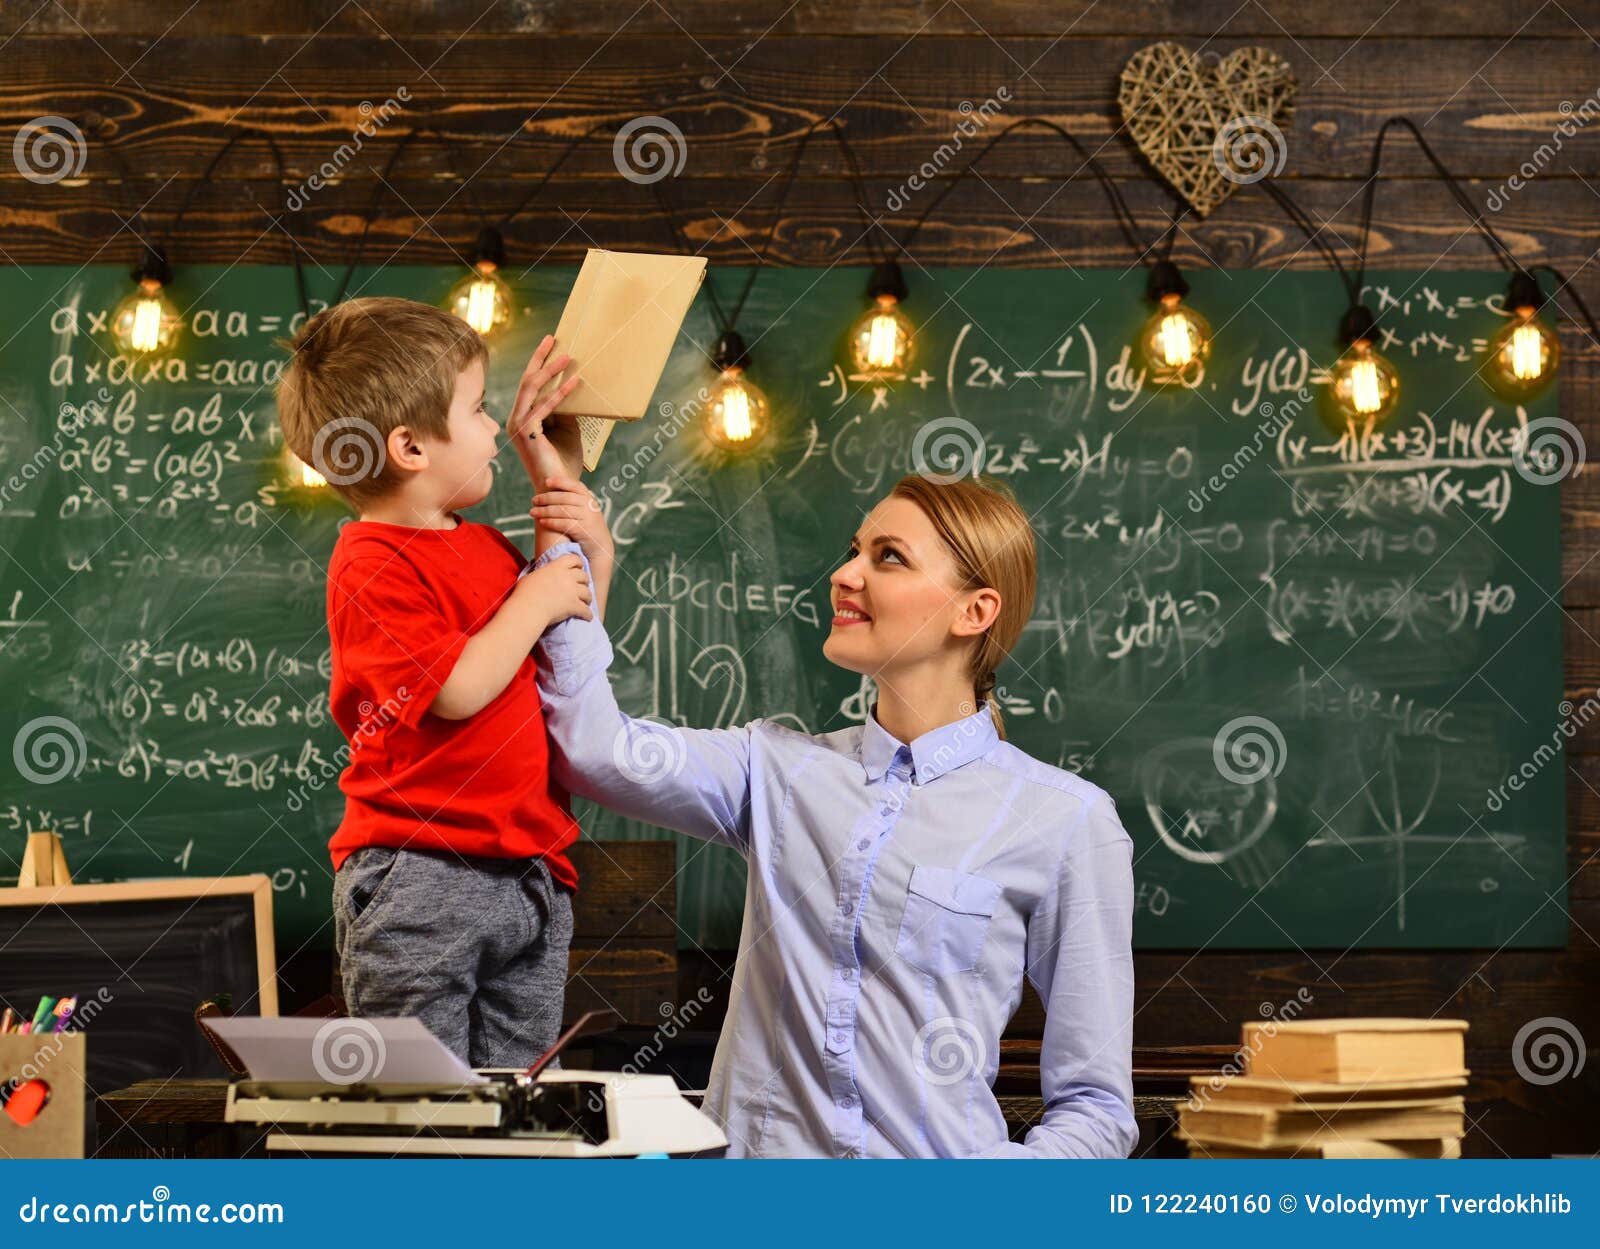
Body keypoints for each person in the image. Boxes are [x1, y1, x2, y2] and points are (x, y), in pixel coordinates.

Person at [514, 405, 1138, 1158]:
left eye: (889, 557)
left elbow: (1097, 1107)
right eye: (853, 550)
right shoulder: (775, 768)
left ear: (975, 611)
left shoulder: (1066, 821)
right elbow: (594, 748)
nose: (845, 573)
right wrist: (564, 537)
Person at [276, 299, 594, 1067]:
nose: (494, 428)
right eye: (481, 409)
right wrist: (535, 595)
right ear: (411, 445)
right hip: (423, 876)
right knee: (421, 1116)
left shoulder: (483, 547)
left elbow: (563, 629)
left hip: (527, 873)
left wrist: (561, 480)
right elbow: (454, 688)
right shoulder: (371, 562)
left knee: (519, 1113)